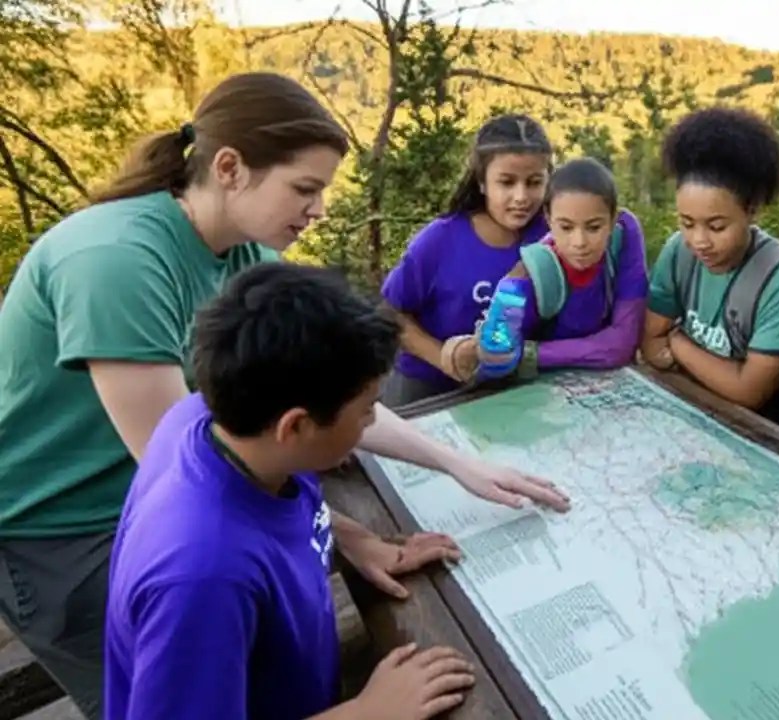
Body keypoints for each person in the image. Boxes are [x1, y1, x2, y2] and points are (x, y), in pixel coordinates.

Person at [0, 73, 567, 720]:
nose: (320, 207)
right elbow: (180, 460)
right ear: (230, 168)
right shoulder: (116, 261)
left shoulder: (242, 251)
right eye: (306, 188)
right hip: (65, 527)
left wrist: (460, 465)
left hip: (164, 511)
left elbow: (332, 391)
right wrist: (338, 539)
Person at [105, 262, 492, 720]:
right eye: (368, 409)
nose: (373, 420)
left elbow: (280, 517)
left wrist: (355, 541)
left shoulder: (207, 421)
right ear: (296, 425)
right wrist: (370, 712)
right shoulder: (202, 577)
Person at [639, 107, 779, 431]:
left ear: (751, 210)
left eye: (716, 226)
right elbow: (649, 343)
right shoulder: (678, 252)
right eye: (686, 223)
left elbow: (747, 392)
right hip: (694, 412)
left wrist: (678, 343)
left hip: (766, 438)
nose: (699, 241)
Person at [380, 113, 554, 405]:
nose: (521, 196)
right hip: (427, 389)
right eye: (507, 182)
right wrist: (447, 358)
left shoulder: (551, 237)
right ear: (482, 182)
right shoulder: (440, 240)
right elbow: (391, 313)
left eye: (534, 182)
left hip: (511, 390)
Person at [457, 157, 647, 382]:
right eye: (565, 227)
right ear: (548, 219)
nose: (579, 242)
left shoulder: (624, 233)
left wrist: (533, 354)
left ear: (613, 219)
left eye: (594, 227)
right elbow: (497, 358)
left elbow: (622, 345)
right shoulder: (524, 279)